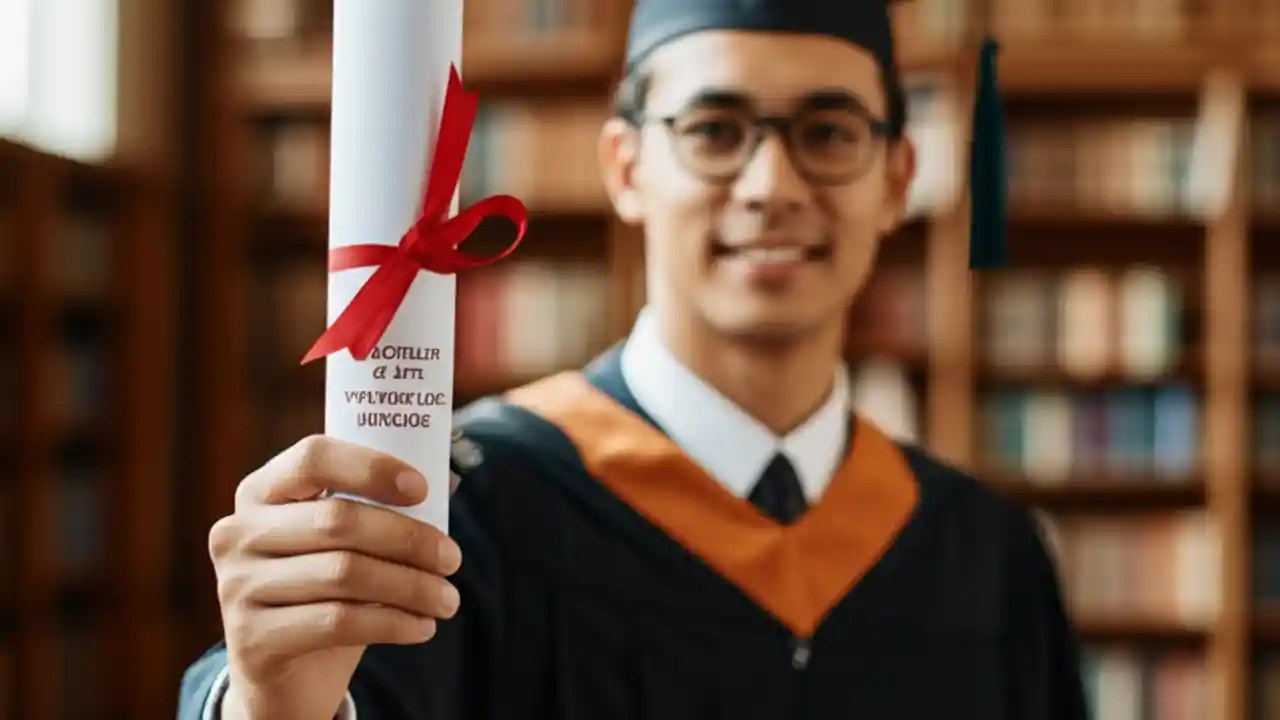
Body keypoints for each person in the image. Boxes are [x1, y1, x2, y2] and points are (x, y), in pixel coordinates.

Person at [179, 0, 1086, 717]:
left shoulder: (987, 556)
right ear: (626, 167)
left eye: (830, 133)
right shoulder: (461, 510)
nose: (771, 187)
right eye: (715, 130)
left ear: (897, 180)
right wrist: (268, 706)